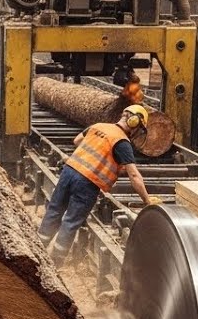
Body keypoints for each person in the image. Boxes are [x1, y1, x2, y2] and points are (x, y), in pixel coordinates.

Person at [39, 104, 155, 264]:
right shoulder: (122, 142)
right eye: (140, 128)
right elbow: (134, 176)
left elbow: (77, 140)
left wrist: (94, 154)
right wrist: (147, 201)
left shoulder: (99, 126)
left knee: (54, 210)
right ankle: (55, 263)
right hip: (87, 183)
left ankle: (38, 249)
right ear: (134, 122)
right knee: (70, 221)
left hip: (69, 171)